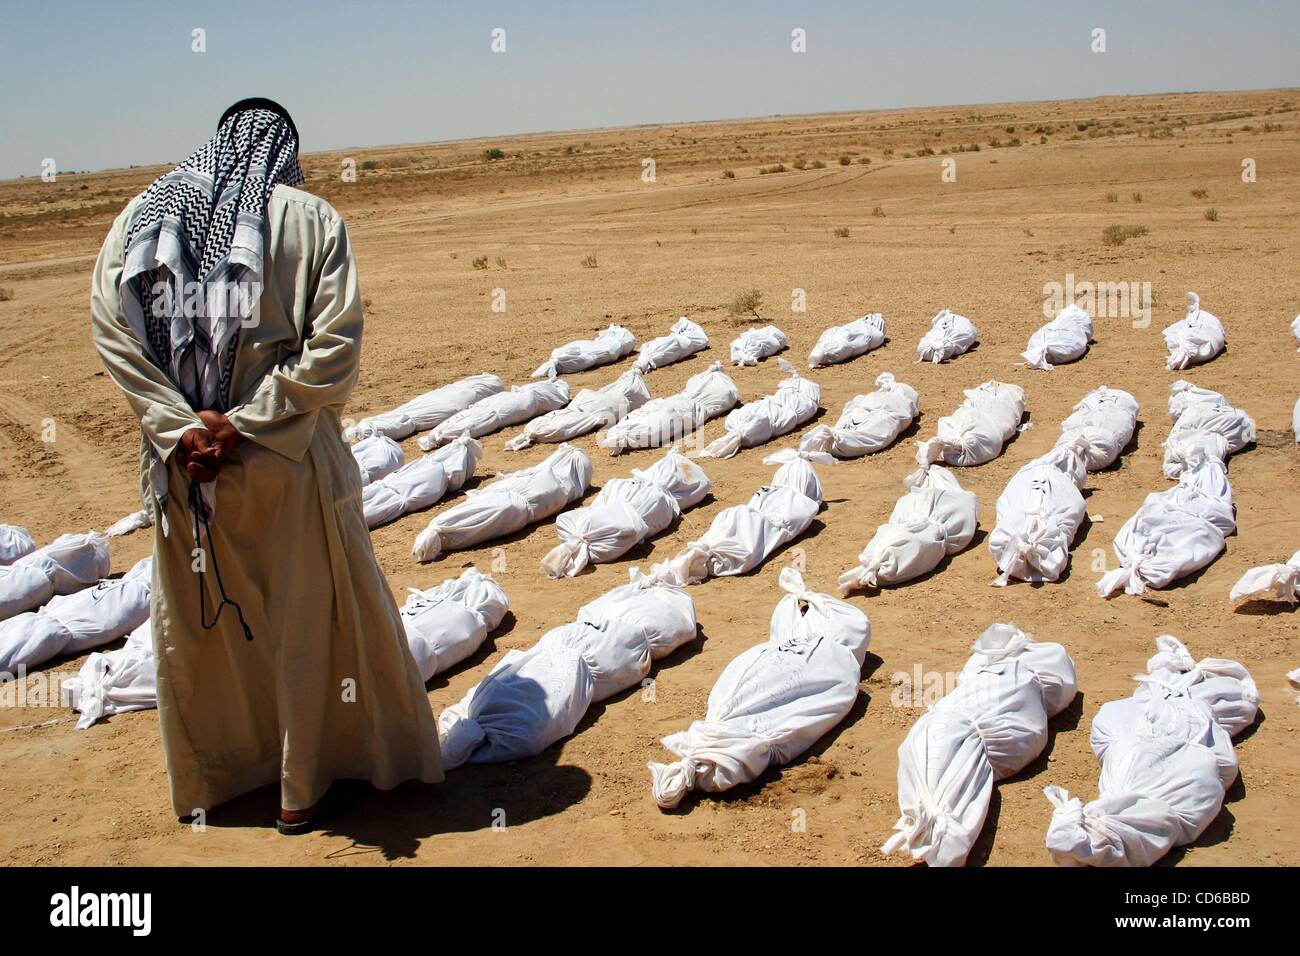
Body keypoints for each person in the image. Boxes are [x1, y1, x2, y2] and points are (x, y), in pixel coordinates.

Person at [90, 98, 442, 833]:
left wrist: (182, 430)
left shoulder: (138, 223)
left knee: (209, 635)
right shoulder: (308, 220)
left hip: (188, 478)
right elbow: (334, 356)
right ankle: (302, 788)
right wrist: (244, 424)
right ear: (283, 151)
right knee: (306, 627)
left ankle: (226, 782)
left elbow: (114, 341)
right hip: (289, 467)